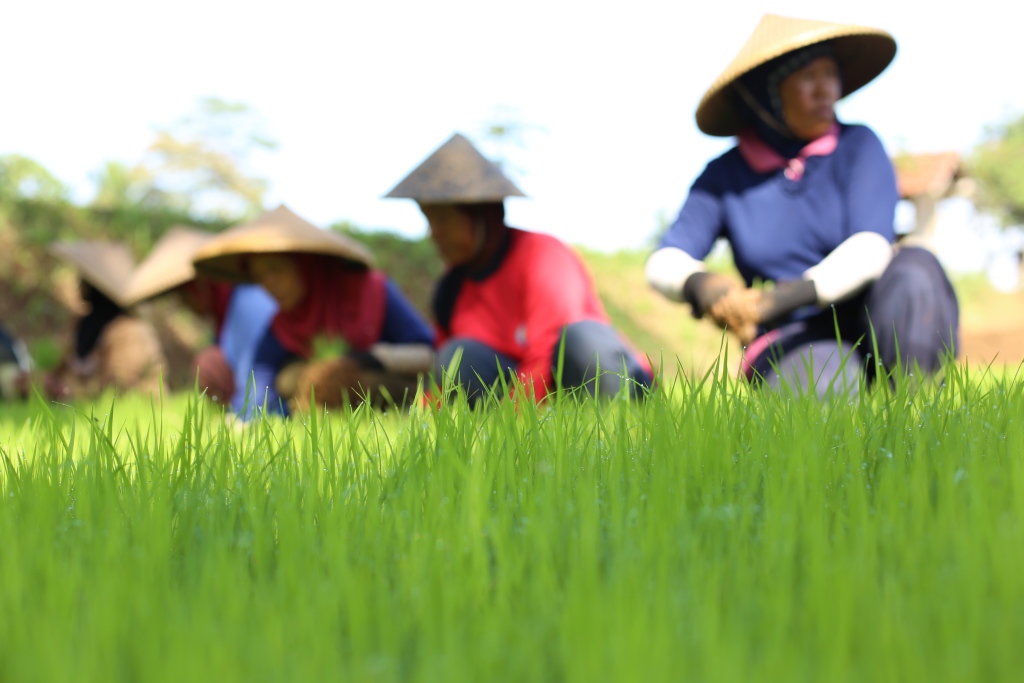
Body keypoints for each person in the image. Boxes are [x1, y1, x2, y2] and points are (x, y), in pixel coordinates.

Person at [646, 14, 959, 397]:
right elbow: (665, 261)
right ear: (767, 95)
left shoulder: (857, 147)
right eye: (808, 78)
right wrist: (702, 286)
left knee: (915, 268)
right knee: (822, 402)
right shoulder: (725, 177)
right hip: (795, 337)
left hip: (875, 316)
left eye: (830, 74)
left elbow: (871, 248)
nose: (825, 90)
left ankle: (920, 411)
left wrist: (780, 298)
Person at [386, 133, 653, 404]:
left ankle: (629, 414)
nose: (434, 234)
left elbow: (545, 350)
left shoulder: (542, 256)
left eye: (443, 220)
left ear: (481, 215)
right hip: (528, 392)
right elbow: (445, 371)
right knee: (457, 356)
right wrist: (423, 417)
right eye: (429, 221)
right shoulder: (451, 288)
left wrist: (515, 421)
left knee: (580, 339)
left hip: (585, 380)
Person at [192, 205, 436, 415]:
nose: (269, 285)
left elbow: (425, 351)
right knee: (291, 378)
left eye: (276, 270)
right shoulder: (286, 322)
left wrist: (362, 360)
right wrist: (252, 415)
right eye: (260, 276)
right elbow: (262, 374)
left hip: (391, 387)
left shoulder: (370, 290)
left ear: (306, 266)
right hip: (323, 405)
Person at [121, 227, 278, 412]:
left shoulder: (246, 302)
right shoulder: (223, 313)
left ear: (201, 287)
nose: (187, 307)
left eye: (185, 297)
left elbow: (257, 369)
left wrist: (246, 417)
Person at [45, 241, 167, 399]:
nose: (78, 285)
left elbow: (120, 383)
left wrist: (72, 392)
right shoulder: (83, 324)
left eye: (83, 280)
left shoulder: (130, 330)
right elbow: (65, 368)